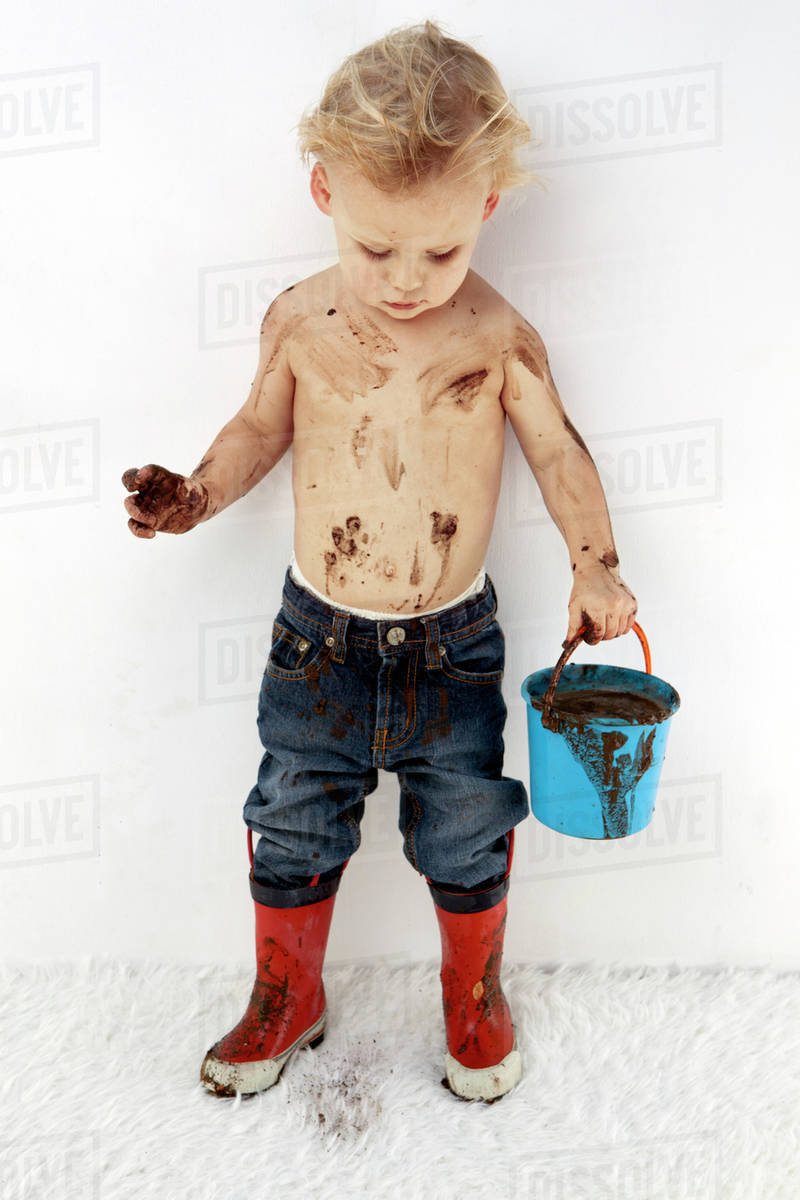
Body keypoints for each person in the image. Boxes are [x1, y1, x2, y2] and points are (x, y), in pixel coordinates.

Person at [122, 19, 637, 1104]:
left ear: (485, 209)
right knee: (292, 814)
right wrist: (198, 494)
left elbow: (555, 452)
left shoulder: (496, 337)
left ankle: (471, 997)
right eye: (375, 248)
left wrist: (596, 567)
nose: (406, 280)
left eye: (441, 251)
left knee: (463, 826)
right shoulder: (302, 321)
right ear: (323, 195)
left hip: (451, 645)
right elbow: (258, 429)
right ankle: (286, 996)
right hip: (317, 641)